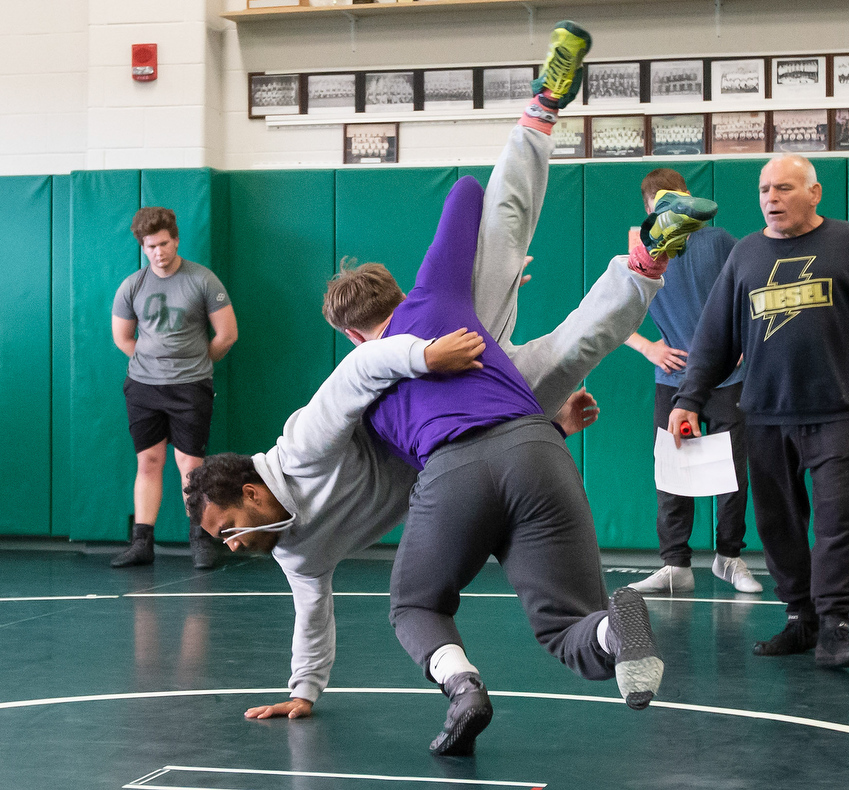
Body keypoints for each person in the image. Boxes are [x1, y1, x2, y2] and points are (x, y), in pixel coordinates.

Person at [186, 20, 713, 757]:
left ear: (246, 490)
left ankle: (547, 123)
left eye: (226, 526)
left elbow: (363, 371)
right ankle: (634, 251)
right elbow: (313, 615)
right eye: (223, 541)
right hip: (482, 416)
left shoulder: (313, 432)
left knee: (525, 283)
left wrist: (425, 355)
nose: (232, 542)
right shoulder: (295, 556)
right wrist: (305, 690)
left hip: (447, 388)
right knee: (557, 322)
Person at [668, 154, 849, 668]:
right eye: (764, 190)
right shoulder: (744, 256)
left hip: (838, 413)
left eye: (783, 188)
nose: (771, 199)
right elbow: (713, 340)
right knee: (778, 524)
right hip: (764, 416)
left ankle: (835, 628)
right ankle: (799, 619)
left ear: (814, 192)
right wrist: (688, 399)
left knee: (835, 522)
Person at [623, 168, 762, 595]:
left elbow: (756, 290)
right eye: (660, 204)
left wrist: (744, 341)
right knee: (672, 471)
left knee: (733, 473)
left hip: (728, 377)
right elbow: (611, 315)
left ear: (690, 201)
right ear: (649, 209)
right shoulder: (641, 253)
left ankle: (729, 558)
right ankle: (675, 566)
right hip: (671, 380)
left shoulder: (719, 241)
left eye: (678, 199)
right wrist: (649, 348)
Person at [111, 207, 238, 570]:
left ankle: (200, 540)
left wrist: (195, 365)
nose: (159, 252)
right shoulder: (132, 285)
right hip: (143, 388)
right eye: (150, 246)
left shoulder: (203, 280)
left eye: (164, 244)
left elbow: (227, 334)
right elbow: (122, 337)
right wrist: (154, 364)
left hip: (190, 388)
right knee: (148, 462)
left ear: (176, 240)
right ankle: (142, 543)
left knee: (191, 466)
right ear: (143, 247)